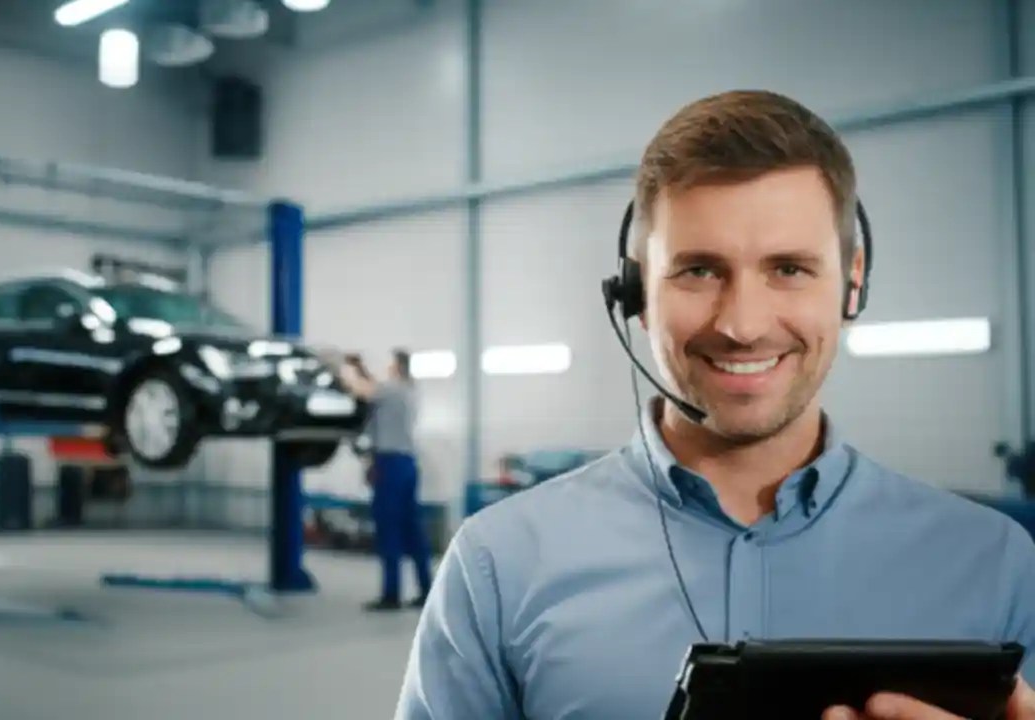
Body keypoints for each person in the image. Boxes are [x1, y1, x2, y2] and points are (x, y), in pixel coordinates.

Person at [395, 90, 1035, 719]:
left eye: (789, 268)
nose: (743, 325)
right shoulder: (499, 564)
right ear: (635, 291)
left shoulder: (996, 565)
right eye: (699, 270)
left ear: (853, 280)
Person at [338, 349, 433, 612]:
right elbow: (375, 393)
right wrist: (363, 370)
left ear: (398, 367)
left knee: (388, 530)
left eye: (390, 364)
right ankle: (427, 590)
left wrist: (347, 372)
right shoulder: (410, 391)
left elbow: (363, 391)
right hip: (408, 464)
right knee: (413, 531)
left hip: (390, 464)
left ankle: (391, 595)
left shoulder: (391, 389)